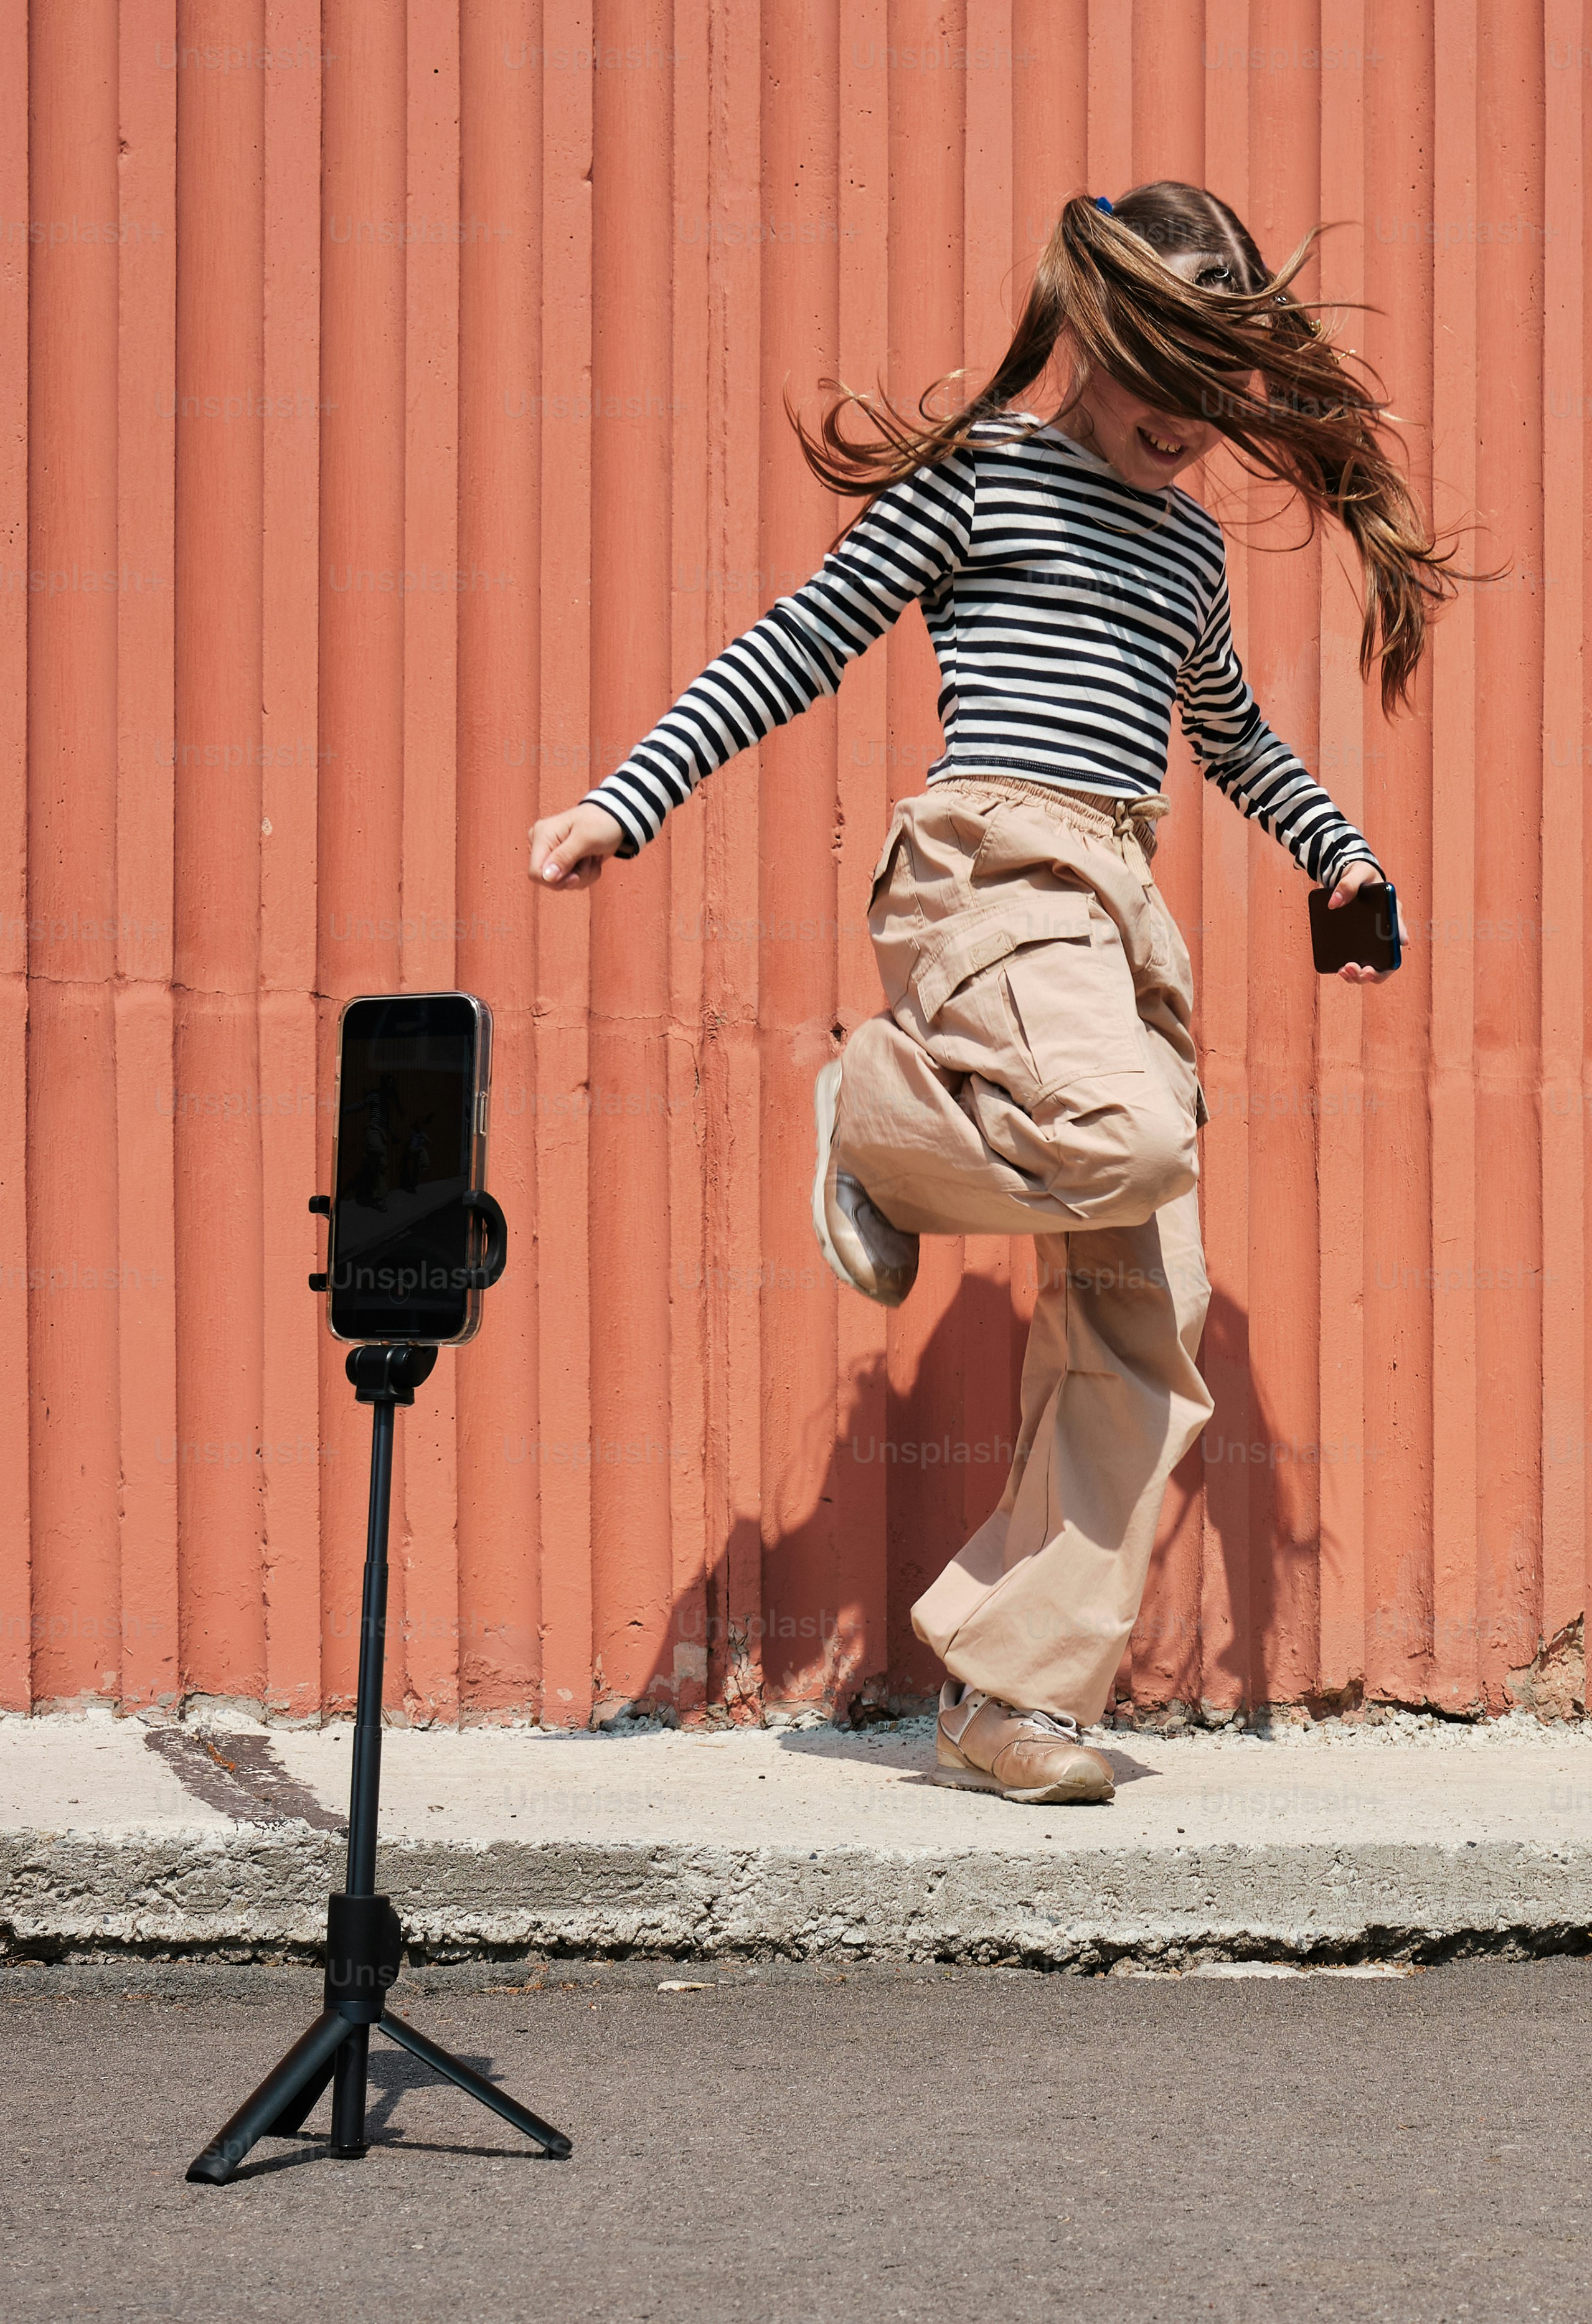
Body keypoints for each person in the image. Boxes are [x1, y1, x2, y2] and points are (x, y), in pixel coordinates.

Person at [525, 184, 1458, 1803]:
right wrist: (630, 795)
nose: (1188, 416)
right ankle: (876, 1123)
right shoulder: (979, 481)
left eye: (1217, 383)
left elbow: (1225, 734)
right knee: (1132, 1129)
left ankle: (1008, 1693)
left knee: (1150, 1320)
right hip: (990, 864)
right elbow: (798, 642)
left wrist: (1343, 856)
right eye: (1162, 367)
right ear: (1088, 335)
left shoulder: (1185, 546)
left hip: (1114, 897)